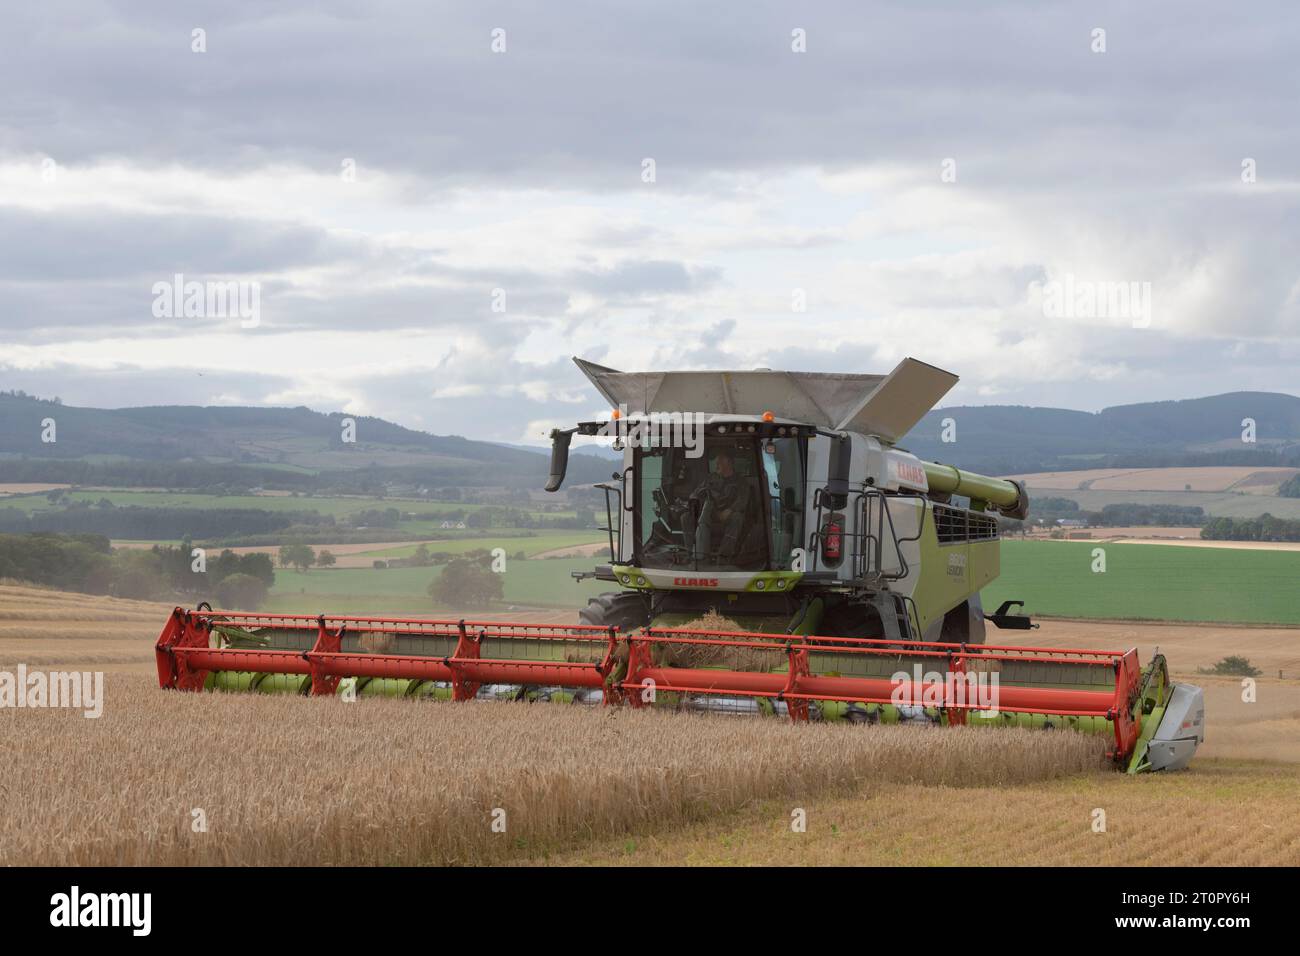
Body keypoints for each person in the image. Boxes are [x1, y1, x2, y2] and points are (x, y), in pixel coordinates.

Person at [695, 448, 752, 561]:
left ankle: (723, 556)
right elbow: (696, 493)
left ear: (729, 463)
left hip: (729, 515)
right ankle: (697, 556)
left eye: (719, 462)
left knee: (737, 517)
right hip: (710, 514)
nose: (716, 465)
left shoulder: (740, 481)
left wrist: (729, 510)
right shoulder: (711, 478)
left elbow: (743, 500)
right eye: (716, 462)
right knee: (686, 517)